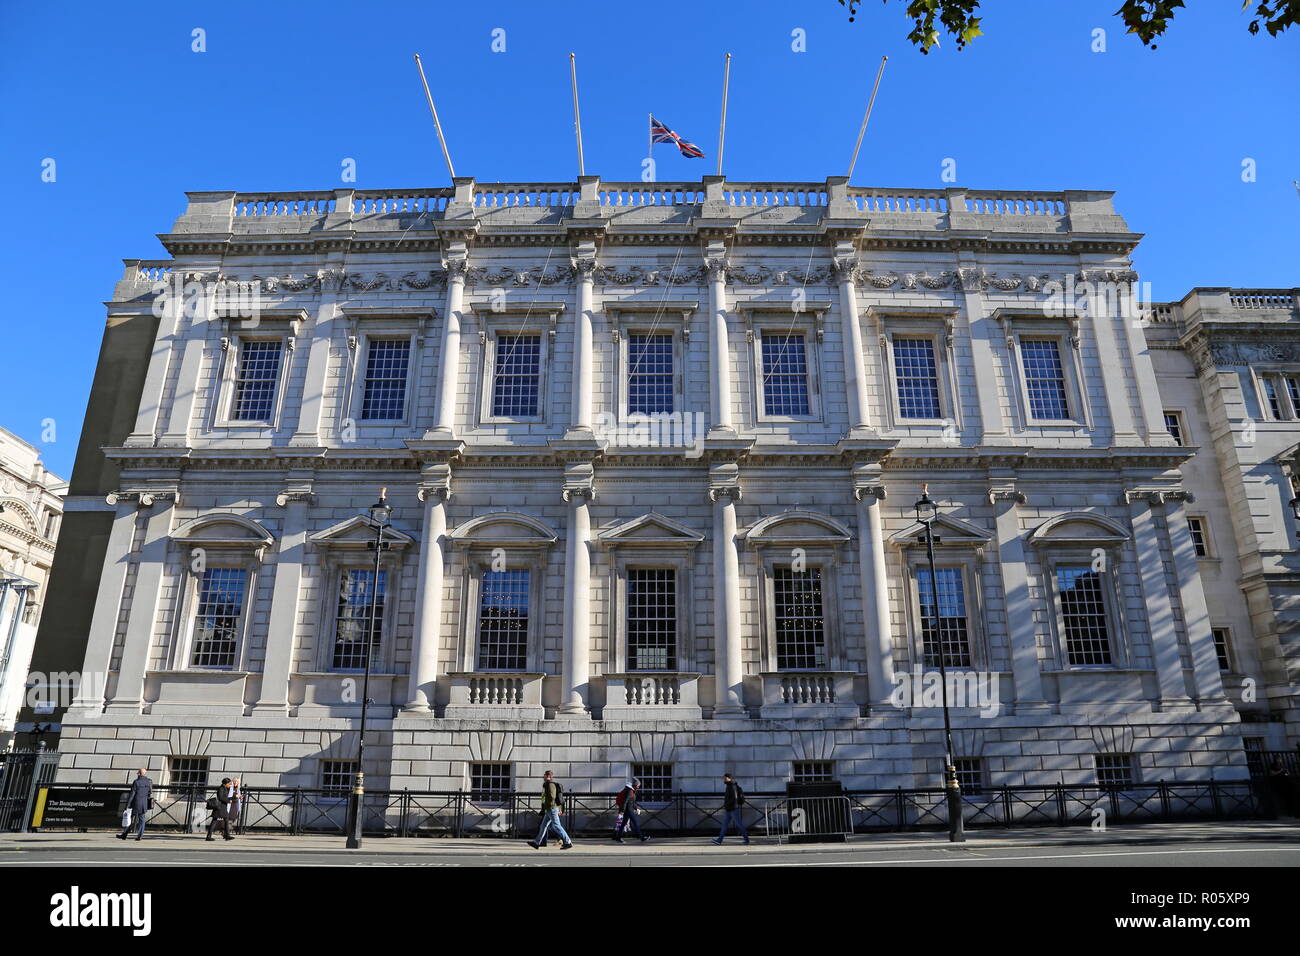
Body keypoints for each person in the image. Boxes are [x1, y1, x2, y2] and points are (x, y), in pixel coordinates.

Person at [527, 771, 573, 849]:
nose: (543, 776)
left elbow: (552, 796)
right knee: (543, 826)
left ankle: (568, 842)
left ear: (548, 776)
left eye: (544, 775)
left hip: (552, 809)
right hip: (549, 809)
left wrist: (548, 804)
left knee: (557, 826)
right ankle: (537, 843)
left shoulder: (550, 785)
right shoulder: (547, 785)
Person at [712, 772, 750, 845]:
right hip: (729, 809)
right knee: (724, 825)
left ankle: (747, 840)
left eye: (725, 778)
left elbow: (734, 798)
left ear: (729, 778)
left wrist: (727, 805)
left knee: (739, 825)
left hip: (733, 809)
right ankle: (719, 840)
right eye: (724, 778)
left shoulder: (732, 786)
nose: (724, 779)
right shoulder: (729, 785)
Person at [116, 768, 152, 841]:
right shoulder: (148, 782)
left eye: (138, 772)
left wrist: (128, 805)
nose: (137, 773)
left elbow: (132, 794)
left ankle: (124, 834)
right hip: (143, 804)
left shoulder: (136, 782)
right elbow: (149, 792)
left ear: (139, 773)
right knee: (142, 820)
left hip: (136, 803)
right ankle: (140, 836)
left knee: (129, 819)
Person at [613, 777, 649, 843]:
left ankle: (618, 837)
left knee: (623, 824)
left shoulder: (631, 790)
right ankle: (641, 837)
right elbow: (625, 801)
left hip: (629, 810)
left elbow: (631, 802)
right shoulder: (630, 791)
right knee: (635, 823)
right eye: (638, 786)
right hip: (628, 810)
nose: (638, 787)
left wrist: (636, 808)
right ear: (635, 785)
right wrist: (622, 811)